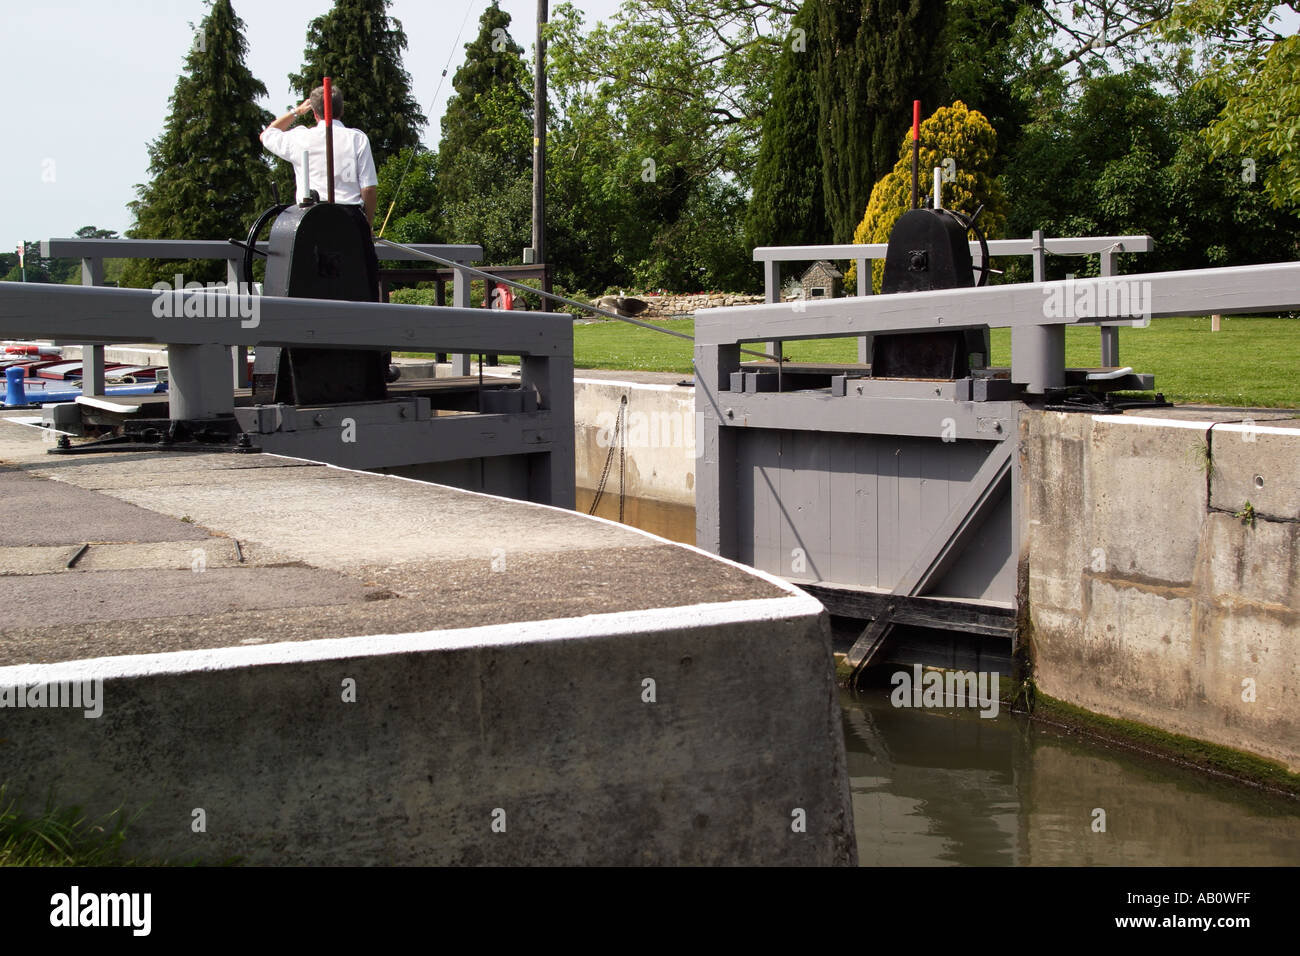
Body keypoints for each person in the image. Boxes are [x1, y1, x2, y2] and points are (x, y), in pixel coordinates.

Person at [260, 84, 378, 227]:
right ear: (342, 109)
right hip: (350, 219)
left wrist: (296, 112)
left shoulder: (300, 138)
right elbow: (369, 189)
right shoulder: (357, 139)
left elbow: (267, 134)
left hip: (311, 218)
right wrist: (368, 225)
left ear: (314, 112)